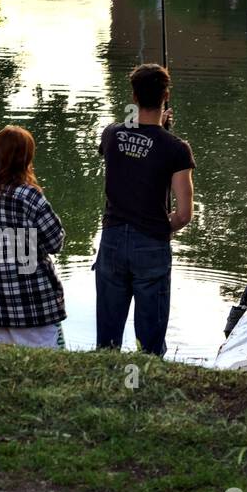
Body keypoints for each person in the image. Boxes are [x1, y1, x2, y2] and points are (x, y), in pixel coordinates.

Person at [94, 64, 194, 356]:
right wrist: (164, 227)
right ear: (166, 95)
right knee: (150, 343)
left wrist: (153, 130)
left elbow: (131, 148)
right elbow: (184, 214)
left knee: (108, 337)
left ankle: (105, 377)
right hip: (150, 243)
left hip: (111, 241)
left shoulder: (111, 135)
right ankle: (148, 384)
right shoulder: (176, 149)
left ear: (134, 97)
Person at [0, 125, 66, 348]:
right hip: (31, 303)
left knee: (6, 367)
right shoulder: (29, 195)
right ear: (26, 159)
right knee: (47, 366)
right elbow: (55, 242)